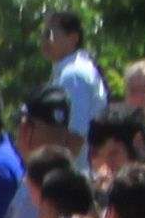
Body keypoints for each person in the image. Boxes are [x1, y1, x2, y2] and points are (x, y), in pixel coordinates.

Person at [44, 11, 107, 140]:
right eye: (44, 35)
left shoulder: (74, 75)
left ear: (73, 38)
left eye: (50, 34)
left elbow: (75, 134)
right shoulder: (67, 71)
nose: (44, 40)